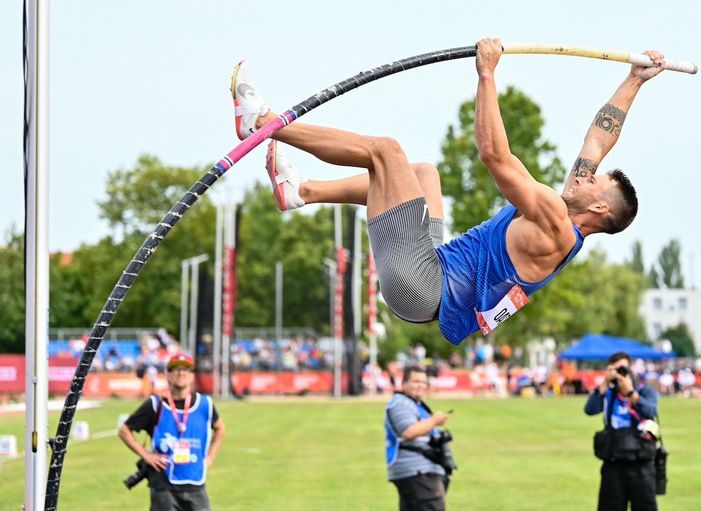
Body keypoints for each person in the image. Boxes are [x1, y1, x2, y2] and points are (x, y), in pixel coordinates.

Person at [230, 38, 666, 345]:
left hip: (422, 285)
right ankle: (301, 192)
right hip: (434, 272)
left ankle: (263, 121)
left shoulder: (554, 221)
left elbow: (495, 155)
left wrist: (487, 74)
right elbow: (598, 139)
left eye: (595, 181)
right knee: (423, 175)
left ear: (597, 208)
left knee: (386, 153)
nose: (586, 174)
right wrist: (635, 80)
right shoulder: (570, 214)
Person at [118, 352, 225, 511]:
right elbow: (124, 430)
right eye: (175, 369)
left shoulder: (205, 405)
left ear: (191, 376)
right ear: (168, 375)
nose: (181, 373)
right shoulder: (156, 405)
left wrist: (210, 458)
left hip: (195, 482)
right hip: (163, 484)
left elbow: (220, 429)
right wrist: (146, 455)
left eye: (185, 369)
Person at [585, 351, 660, 511]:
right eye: (614, 370)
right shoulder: (608, 394)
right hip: (614, 462)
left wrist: (631, 393)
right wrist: (604, 384)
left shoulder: (644, 391)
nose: (619, 374)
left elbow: (650, 411)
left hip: (640, 463)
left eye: (622, 369)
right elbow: (590, 409)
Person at [384, 366, 454, 510]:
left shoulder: (416, 405)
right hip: (417, 471)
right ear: (404, 384)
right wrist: (434, 421)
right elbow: (408, 431)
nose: (420, 385)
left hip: (421, 470)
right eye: (415, 381)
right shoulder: (400, 403)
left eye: (423, 382)